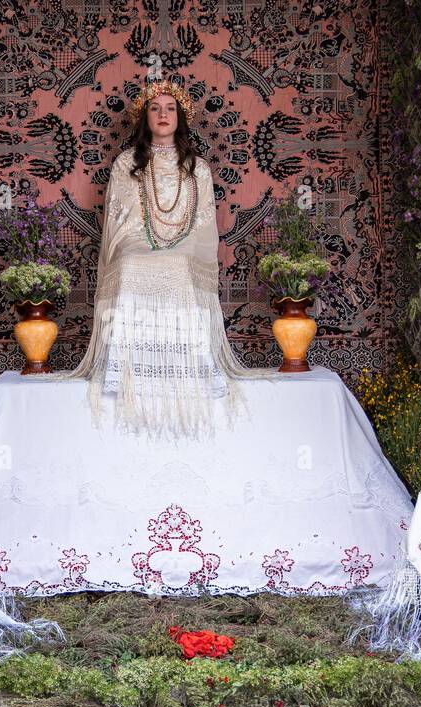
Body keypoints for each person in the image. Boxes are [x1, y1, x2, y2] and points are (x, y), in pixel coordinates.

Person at [56, 78, 270, 438]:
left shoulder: (197, 167)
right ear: (145, 118)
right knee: (131, 263)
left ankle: (188, 370)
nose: (163, 114)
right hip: (139, 242)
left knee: (178, 264)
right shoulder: (127, 163)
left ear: (181, 117)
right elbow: (122, 219)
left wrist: (173, 243)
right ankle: (130, 372)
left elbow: (202, 221)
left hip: (187, 243)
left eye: (170, 108)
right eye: (155, 108)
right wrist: (150, 243)